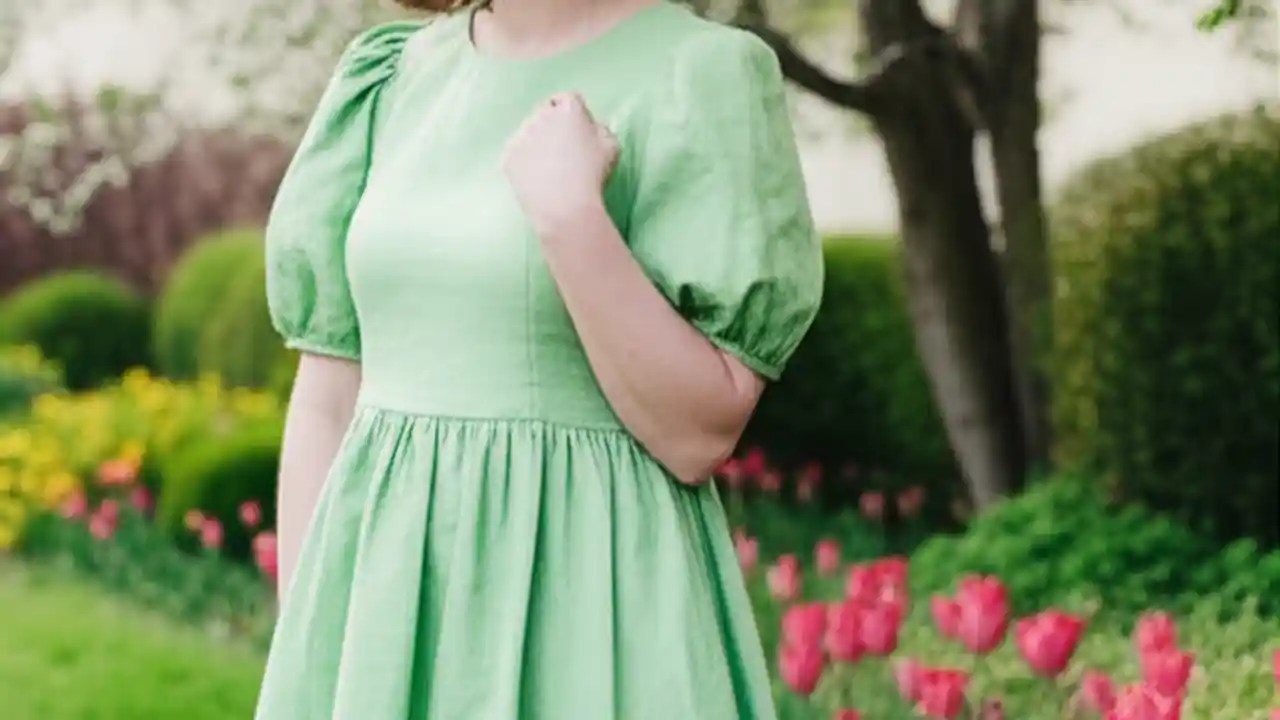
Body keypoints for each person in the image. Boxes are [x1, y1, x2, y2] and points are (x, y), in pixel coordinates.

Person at [255, 0, 823, 717]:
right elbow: (326, 398)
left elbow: (698, 435)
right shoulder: (387, 77)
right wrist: (311, 650)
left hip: (593, 615)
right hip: (388, 623)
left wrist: (571, 218)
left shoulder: (702, 72)